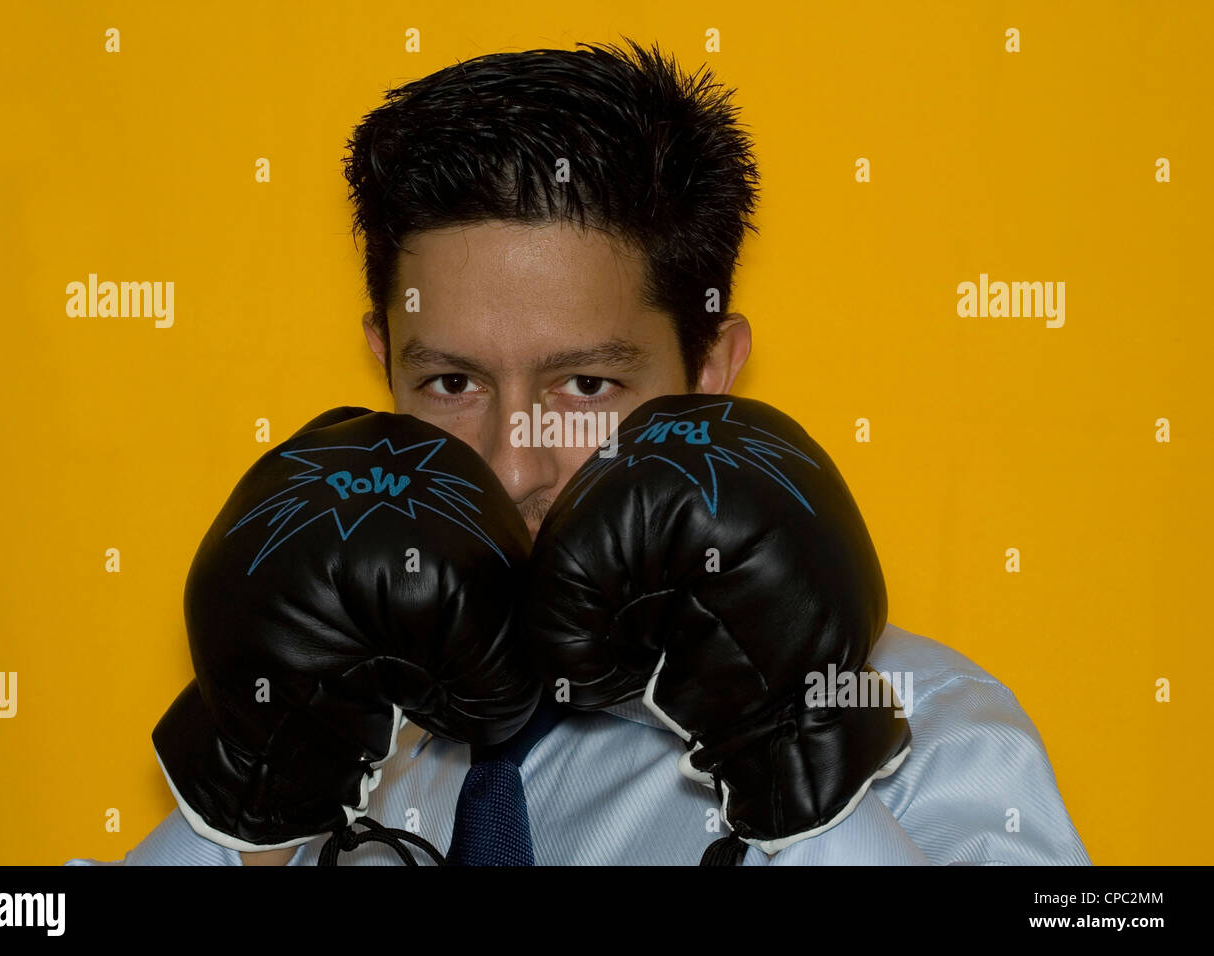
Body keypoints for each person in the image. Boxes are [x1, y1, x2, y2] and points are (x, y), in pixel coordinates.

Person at [66, 39, 1090, 866]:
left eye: (585, 386)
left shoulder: (921, 731)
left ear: (710, 373)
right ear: (383, 365)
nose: (515, 464)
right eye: (452, 382)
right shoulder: (350, 723)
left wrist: (798, 776)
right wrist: (251, 796)